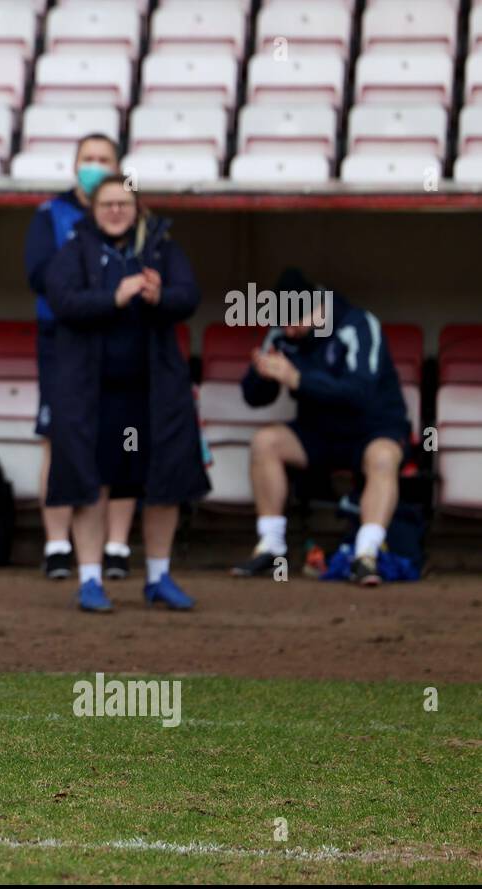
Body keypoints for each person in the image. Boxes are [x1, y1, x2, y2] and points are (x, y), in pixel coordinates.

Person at [45, 175, 208, 613]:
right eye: (107, 204)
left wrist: (160, 294)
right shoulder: (75, 248)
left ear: (137, 209)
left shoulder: (162, 247)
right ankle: (91, 581)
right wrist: (113, 297)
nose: (116, 210)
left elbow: (190, 296)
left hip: (155, 394)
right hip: (91, 396)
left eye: (124, 203)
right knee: (91, 484)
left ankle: (158, 577)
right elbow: (62, 301)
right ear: (93, 211)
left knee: (163, 484)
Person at [233, 269, 410, 586]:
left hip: (372, 428)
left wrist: (298, 380)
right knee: (265, 442)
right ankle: (271, 547)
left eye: (295, 320)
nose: (288, 329)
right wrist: (263, 373)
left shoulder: (357, 324)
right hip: (318, 431)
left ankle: (366, 556)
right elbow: (252, 397)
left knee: (383, 457)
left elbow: (361, 392)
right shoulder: (282, 333)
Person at [25, 133, 137, 582]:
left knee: (122, 435)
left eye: (103, 159)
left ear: (117, 166)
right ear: (74, 165)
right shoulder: (51, 213)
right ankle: (57, 545)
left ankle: (116, 546)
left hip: (121, 339)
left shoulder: (131, 215)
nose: (94, 165)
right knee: (57, 436)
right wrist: (97, 293)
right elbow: (39, 275)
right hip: (63, 338)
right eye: (86, 158)